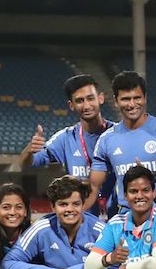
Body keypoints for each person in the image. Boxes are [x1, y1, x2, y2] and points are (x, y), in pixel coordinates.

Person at [89, 70, 156, 208]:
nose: (132, 104)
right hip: (124, 217)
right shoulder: (106, 139)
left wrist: (153, 176)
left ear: (145, 98)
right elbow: (94, 187)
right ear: (116, 101)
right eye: (125, 99)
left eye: (137, 98)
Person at [20, 74, 114, 214]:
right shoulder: (65, 138)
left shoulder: (118, 134)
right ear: (71, 105)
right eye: (80, 101)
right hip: (83, 221)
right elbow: (25, 164)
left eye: (90, 98)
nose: (87, 105)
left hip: (117, 220)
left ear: (100, 98)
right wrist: (29, 150)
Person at [2, 175, 106, 269]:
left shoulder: (100, 229)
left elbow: (114, 263)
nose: (70, 209)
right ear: (53, 207)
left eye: (76, 204)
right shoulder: (40, 230)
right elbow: (8, 264)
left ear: (83, 205)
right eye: (63, 204)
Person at [84, 165, 156, 269]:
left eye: (145, 190)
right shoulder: (115, 223)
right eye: (133, 191)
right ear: (125, 196)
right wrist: (110, 258)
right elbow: (89, 268)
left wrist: (126, 268)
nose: (140, 196)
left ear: (154, 193)